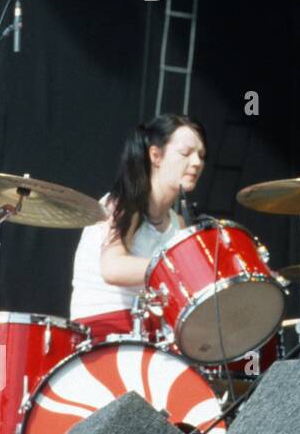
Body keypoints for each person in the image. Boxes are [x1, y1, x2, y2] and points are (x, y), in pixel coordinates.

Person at [69, 113, 207, 340]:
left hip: (151, 332)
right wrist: (174, 267)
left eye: (201, 156)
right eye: (185, 153)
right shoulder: (121, 204)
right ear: (156, 155)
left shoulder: (177, 223)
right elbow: (113, 268)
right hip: (101, 330)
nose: (196, 163)